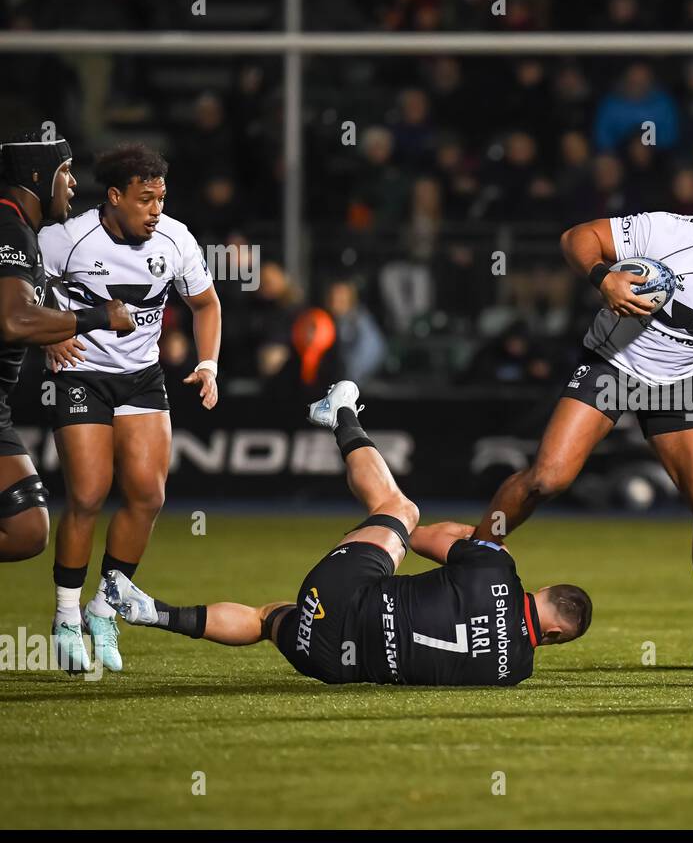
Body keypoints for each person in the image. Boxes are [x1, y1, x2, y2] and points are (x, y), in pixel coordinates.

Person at [473, 185, 693, 677]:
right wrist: (603, 278)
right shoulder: (665, 232)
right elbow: (576, 237)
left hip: (679, 384)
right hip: (613, 365)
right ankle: (476, 557)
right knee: (548, 479)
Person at [105, 381, 592, 687]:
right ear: (552, 636)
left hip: (346, 594)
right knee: (266, 618)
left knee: (400, 507)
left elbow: (429, 537)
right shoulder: (514, 674)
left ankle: (341, 413)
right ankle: (153, 612)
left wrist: (398, 536)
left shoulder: (497, 571)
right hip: (331, 661)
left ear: (542, 592)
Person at [39, 143, 221, 673]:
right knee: (89, 495)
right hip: (82, 375)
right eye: (145, 200)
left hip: (141, 378)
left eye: (161, 198)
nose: (156, 210)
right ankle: (67, 614)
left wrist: (208, 363)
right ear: (114, 197)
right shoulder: (65, 238)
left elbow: (206, 302)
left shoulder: (176, 237)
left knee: (147, 494)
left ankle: (104, 606)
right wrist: (51, 332)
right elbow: (20, 291)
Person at [0, 127, 133, 572]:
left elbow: (26, 303)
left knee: (25, 529)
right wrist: (99, 317)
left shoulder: (21, 230)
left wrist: (52, 321)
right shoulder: (8, 227)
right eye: (66, 172)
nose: (74, 183)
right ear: (38, 177)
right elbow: (13, 319)